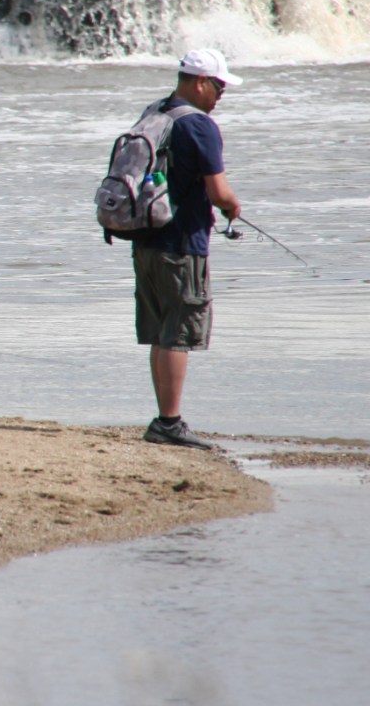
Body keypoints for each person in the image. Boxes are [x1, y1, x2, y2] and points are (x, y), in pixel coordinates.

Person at [131, 50, 243, 449]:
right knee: (178, 334)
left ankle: (165, 419)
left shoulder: (154, 112)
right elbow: (218, 192)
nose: (222, 93)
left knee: (162, 333)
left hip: (145, 239)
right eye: (219, 85)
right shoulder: (200, 125)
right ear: (199, 82)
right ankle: (169, 422)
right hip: (181, 243)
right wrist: (232, 206)